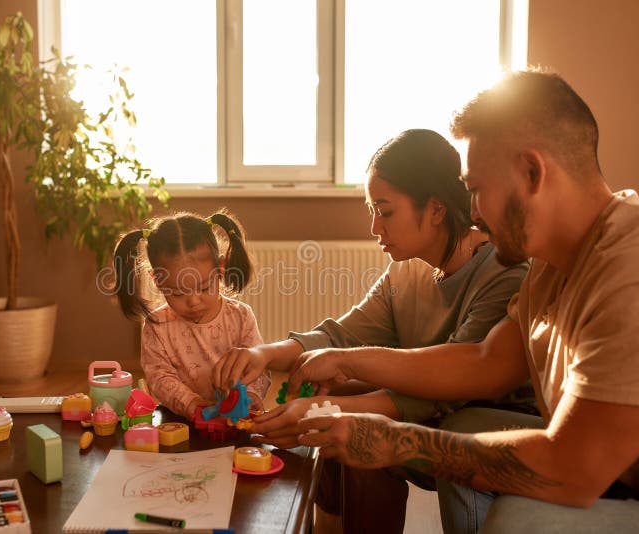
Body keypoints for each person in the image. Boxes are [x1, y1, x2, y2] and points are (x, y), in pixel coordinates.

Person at [289, 69, 639, 533]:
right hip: (609, 475)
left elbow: (572, 469)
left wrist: (398, 442)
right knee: (465, 425)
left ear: (532, 173)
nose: (472, 211)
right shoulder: (551, 268)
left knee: (505, 500)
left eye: (476, 189)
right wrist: (345, 359)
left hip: (605, 481)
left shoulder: (631, 266)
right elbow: (484, 361)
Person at [213, 129, 531, 533]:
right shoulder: (406, 271)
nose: (374, 227)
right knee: (340, 414)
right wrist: (264, 354)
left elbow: (451, 391)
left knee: (344, 418)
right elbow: (342, 335)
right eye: (371, 210)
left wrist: (320, 409)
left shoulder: (502, 272)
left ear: (436, 208)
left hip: (480, 423)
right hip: (432, 410)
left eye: (385, 211)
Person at [112, 210, 270, 420]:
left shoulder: (240, 316)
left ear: (220, 268)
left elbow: (258, 366)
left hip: (236, 418)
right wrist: (190, 402)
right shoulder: (157, 325)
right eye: (178, 293)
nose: (194, 302)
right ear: (157, 281)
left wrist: (251, 395)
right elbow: (159, 377)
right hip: (180, 421)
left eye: (204, 288)